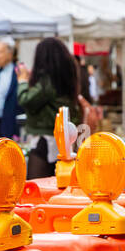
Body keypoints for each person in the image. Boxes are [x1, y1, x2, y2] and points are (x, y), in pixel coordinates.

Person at [16, 38, 83, 179]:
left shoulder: (47, 81)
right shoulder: (67, 75)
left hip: (45, 139)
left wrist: (22, 81)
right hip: (62, 138)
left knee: (36, 186)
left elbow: (25, 99)